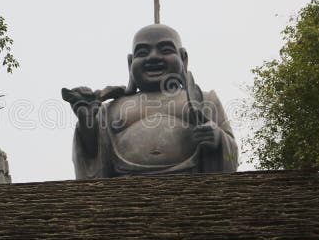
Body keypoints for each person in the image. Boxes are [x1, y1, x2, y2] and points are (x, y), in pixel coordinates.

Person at [62, 24, 238, 179]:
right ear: (130, 62)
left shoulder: (205, 100)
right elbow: (93, 155)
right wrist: (87, 125)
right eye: (143, 52)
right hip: (124, 188)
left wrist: (217, 139)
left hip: (191, 183)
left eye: (166, 50)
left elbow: (230, 150)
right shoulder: (111, 107)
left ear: (183, 58)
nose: (153, 57)